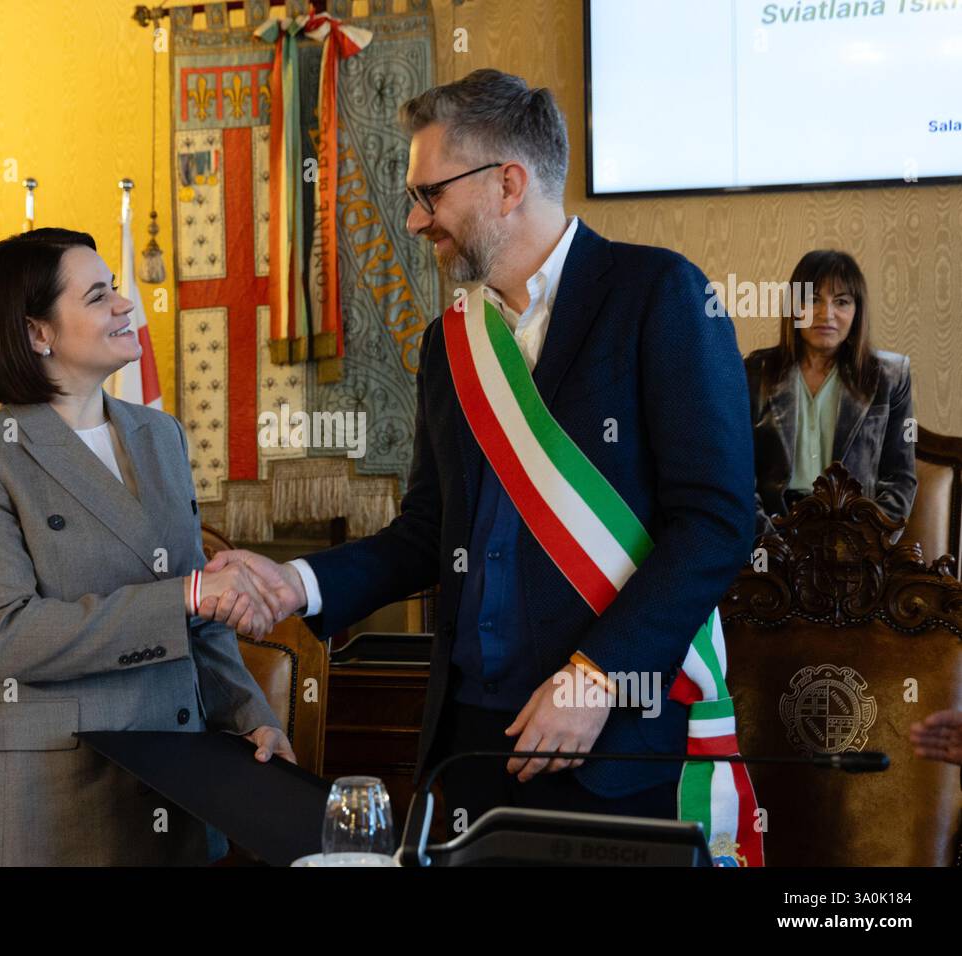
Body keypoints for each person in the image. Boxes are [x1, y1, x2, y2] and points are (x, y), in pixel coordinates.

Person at [205, 70, 756, 834]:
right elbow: (428, 532)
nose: (414, 219)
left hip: (619, 747)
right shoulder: (449, 343)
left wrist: (597, 681)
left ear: (507, 183)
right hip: (467, 748)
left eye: (429, 194)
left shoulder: (658, 294)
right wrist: (297, 582)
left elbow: (718, 522)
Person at [0, 227, 293, 866]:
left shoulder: (161, 436)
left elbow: (200, 617)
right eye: (98, 296)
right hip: (47, 800)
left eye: (115, 289)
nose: (125, 305)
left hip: (174, 779)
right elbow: (5, 638)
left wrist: (251, 717)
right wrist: (184, 593)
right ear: (39, 333)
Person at [744, 250, 916, 537]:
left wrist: (863, 546)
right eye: (812, 300)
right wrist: (771, 546)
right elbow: (740, 479)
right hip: (775, 537)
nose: (826, 314)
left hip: (855, 539)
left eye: (841, 301)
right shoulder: (755, 373)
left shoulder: (891, 377)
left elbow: (901, 479)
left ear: (856, 311)